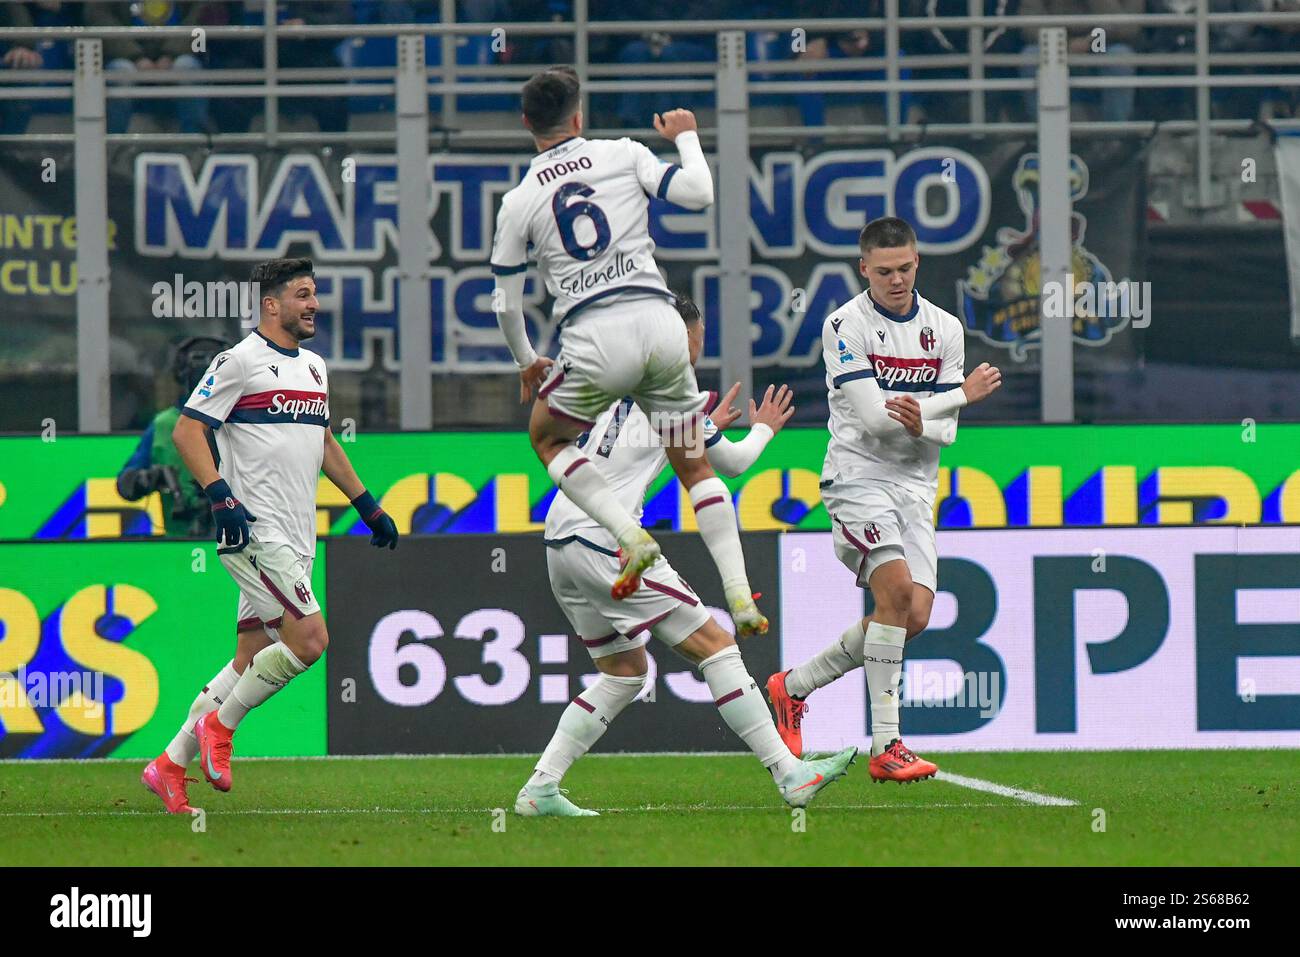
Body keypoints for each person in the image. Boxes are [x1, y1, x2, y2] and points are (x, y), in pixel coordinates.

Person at [517, 294, 857, 817]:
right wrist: (764, 425)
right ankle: (791, 775)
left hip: (560, 539)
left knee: (626, 671)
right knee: (718, 646)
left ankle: (540, 788)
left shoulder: (613, 379)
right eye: (694, 343)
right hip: (608, 541)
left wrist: (703, 424)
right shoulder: (675, 393)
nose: (695, 355)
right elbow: (735, 463)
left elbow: (662, 441)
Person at [490, 66, 768, 637]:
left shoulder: (519, 201)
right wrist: (686, 134)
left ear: (525, 124)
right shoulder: (623, 152)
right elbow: (699, 193)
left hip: (594, 335)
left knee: (548, 437)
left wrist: (527, 361)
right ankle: (739, 596)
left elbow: (503, 303)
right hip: (659, 318)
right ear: (578, 115)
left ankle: (630, 536)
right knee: (692, 463)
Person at [140, 258, 400, 814]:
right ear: (271, 305)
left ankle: (168, 765)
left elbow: (324, 442)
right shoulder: (238, 362)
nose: (314, 305)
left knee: (249, 658)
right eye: (303, 295)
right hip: (254, 529)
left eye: (315, 295)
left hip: (296, 536)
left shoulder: (313, 367)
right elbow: (189, 431)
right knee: (310, 642)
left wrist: (367, 505)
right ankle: (220, 726)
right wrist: (219, 495)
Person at [766, 217, 1002, 783]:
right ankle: (887, 744)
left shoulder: (944, 329)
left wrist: (934, 412)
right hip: (856, 477)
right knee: (895, 591)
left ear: (917, 263)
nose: (895, 280)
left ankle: (792, 687)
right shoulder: (844, 325)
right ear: (863, 269)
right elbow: (874, 422)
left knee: (912, 614)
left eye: (904, 268)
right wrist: (956, 398)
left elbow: (943, 435)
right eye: (883, 271)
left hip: (917, 487)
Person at [117, 336, 232, 538]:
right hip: (179, 542)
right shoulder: (163, 426)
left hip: (239, 540)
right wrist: (147, 479)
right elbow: (126, 485)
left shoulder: (243, 422)